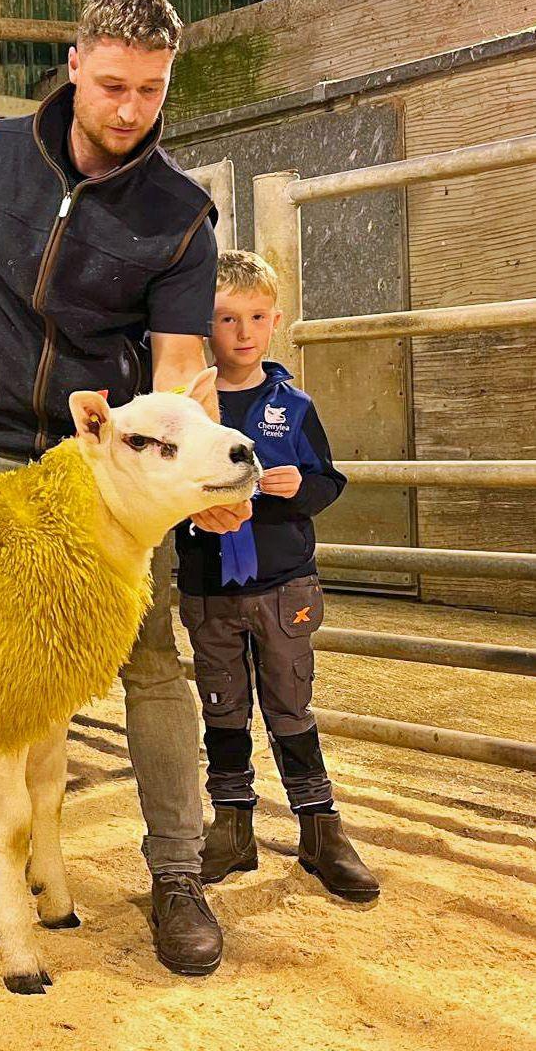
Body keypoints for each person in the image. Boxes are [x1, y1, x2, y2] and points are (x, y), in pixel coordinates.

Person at [0, 0, 252, 977]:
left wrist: (207, 475)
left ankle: (175, 874)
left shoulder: (181, 211)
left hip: (112, 470)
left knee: (149, 657)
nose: (131, 110)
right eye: (112, 87)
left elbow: (182, 367)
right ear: (73, 67)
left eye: (151, 90)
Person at [176, 250, 379, 901]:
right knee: (222, 704)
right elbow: (165, 488)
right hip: (208, 586)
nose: (241, 333)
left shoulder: (291, 405)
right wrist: (190, 510)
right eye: (226, 318)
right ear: (204, 326)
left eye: (255, 317)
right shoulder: (188, 410)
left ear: (275, 321)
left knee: (289, 700)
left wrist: (299, 488)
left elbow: (328, 480)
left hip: (282, 582)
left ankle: (319, 826)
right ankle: (232, 827)